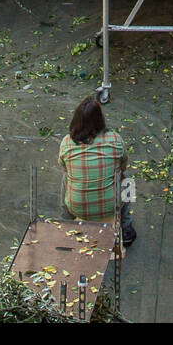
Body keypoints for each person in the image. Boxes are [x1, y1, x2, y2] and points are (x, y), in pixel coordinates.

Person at [59, 95, 136, 245]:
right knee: (127, 178)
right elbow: (123, 167)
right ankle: (126, 226)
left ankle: (65, 221)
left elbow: (64, 168)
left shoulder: (67, 143)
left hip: (78, 208)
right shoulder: (115, 139)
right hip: (110, 207)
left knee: (66, 176)